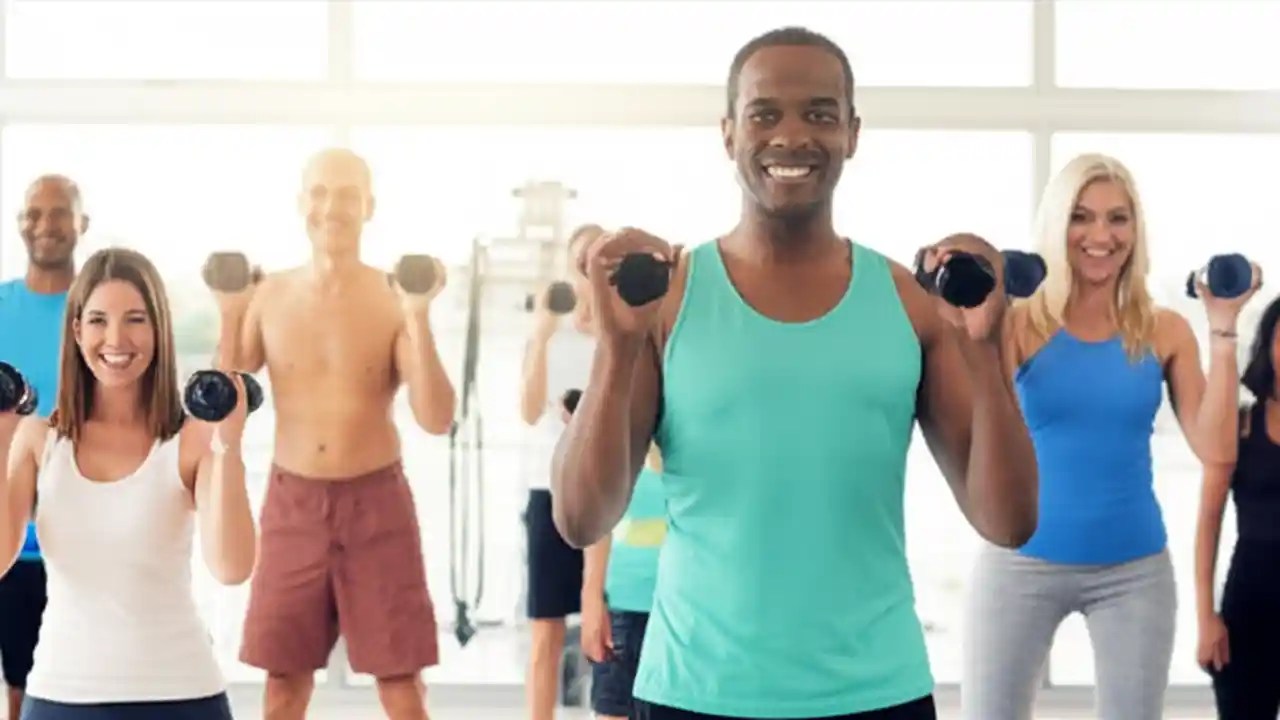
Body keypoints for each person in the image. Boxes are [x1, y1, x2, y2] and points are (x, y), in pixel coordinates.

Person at [551, 27, 1039, 720]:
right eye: (763, 114)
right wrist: (616, 347)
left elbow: (1010, 521)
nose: (791, 136)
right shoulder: (670, 299)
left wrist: (987, 352)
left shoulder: (911, 303)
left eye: (819, 113)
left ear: (852, 132)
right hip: (695, 693)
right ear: (728, 133)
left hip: (877, 692)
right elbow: (579, 516)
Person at [960, 153, 1255, 720]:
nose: (1101, 235)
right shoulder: (1019, 324)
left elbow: (1216, 449)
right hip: (1020, 560)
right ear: (1057, 226)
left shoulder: (1163, 329)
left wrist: (1222, 328)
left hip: (1132, 571)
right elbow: (981, 433)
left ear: (1135, 231)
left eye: (1118, 219)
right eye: (1082, 217)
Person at [219, 147, 456, 720]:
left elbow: (436, 416)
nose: (333, 207)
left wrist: (419, 316)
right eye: (320, 192)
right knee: (283, 686)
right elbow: (222, 402)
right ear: (302, 202)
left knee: (402, 689)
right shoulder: (270, 295)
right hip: (293, 502)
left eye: (347, 194)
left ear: (369, 206)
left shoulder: (391, 298)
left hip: (377, 503)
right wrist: (230, 311)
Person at [0, 247, 255, 719]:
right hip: (62, 695)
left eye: (135, 319)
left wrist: (230, 446)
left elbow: (232, 566)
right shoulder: (38, 440)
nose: (115, 338)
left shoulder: (192, 440)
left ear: (158, 330)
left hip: (181, 695)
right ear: (76, 330)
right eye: (97, 320)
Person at [0, 175, 86, 720]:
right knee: (21, 692)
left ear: (82, 224)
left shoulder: (101, 313)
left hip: (85, 537)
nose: (45, 225)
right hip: (15, 543)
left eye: (59, 214)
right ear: (19, 223)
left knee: (89, 688)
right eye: (34, 213)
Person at [518, 223, 603, 720]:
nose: (588, 270)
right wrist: (541, 333)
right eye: (581, 260)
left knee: (604, 623)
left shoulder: (622, 335)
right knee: (545, 630)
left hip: (606, 492)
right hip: (548, 491)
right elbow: (529, 411)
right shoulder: (551, 336)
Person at [1195, 295, 1280, 718]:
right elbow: (1209, 521)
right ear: (1269, 346)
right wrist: (1206, 617)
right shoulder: (1241, 424)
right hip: (1250, 604)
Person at [580, 442, 666, 720]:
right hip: (625, 605)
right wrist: (592, 597)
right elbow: (598, 517)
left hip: (690, 611)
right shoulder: (622, 430)